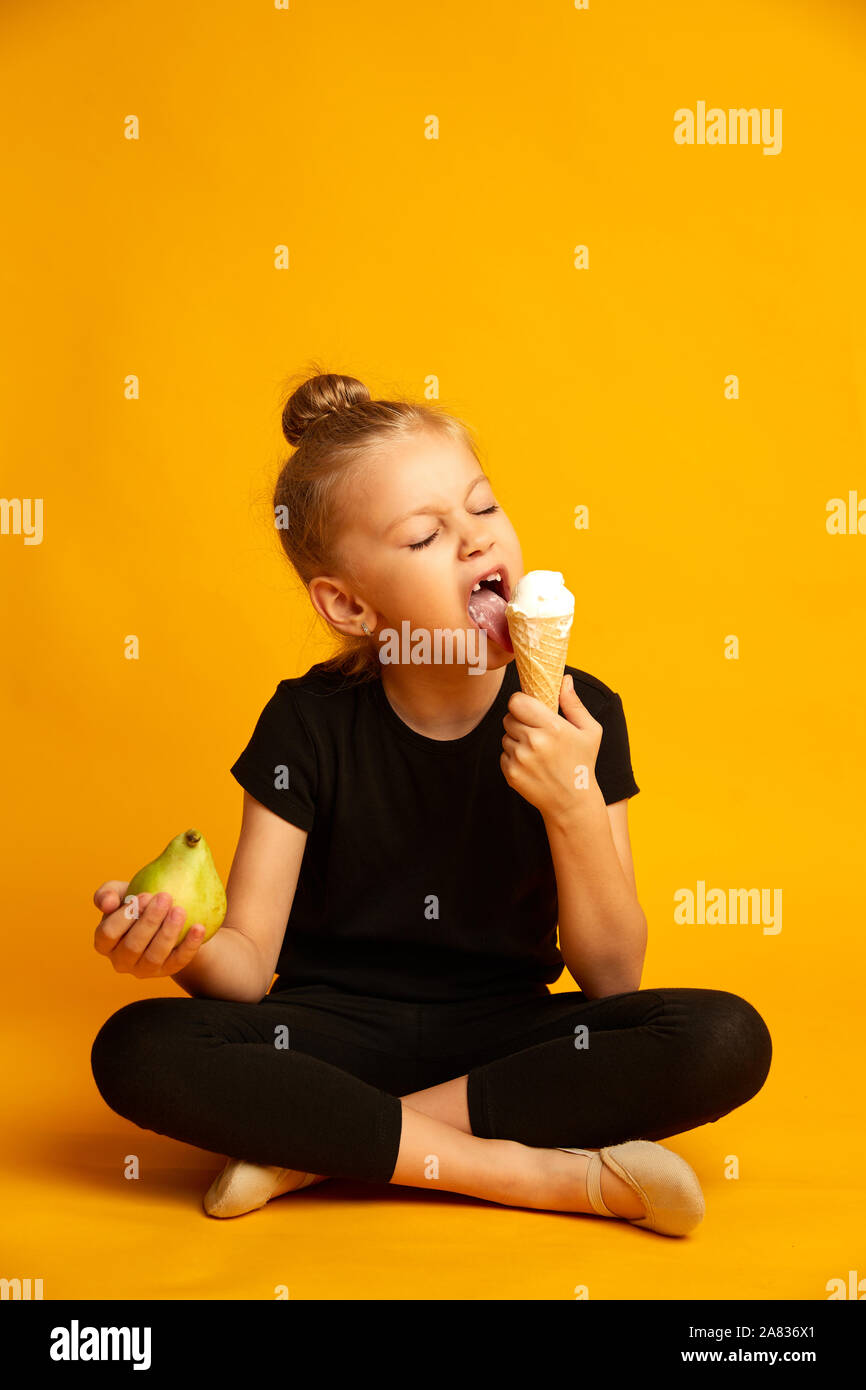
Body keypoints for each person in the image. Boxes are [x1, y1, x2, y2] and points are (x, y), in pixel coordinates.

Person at [90, 368, 772, 1237]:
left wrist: (570, 801)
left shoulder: (581, 714)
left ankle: (317, 1142)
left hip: (507, 1036)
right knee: (137, 1048)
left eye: (484, 510)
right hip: (326, 1036)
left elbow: (611, 978)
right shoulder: (308, 722)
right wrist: (177, 947)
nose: (476, 544)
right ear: (348, 604)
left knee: (722, 1036)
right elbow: (248, 968)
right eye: (426, 537)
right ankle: (532, 1175)